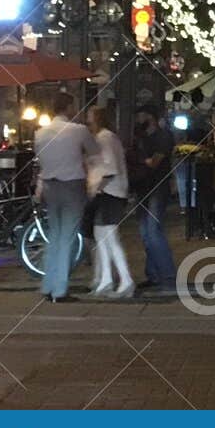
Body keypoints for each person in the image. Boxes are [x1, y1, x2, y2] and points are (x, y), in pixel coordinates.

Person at [33, 93, 97, 302]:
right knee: (67, 237)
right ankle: (60, 290)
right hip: (72, 185)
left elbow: (40, 161)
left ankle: (48, 285)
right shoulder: (78, 130)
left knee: (54, 236)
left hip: (50, 186)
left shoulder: (40, 133)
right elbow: (95, 153)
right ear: (69, 107)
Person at [84, 107, 134, 298]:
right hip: (108, 192)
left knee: (109, 237)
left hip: (109, 193)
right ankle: (106, 279)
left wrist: (96, 188)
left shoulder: (105, 138)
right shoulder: (105, 138)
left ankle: (125, 280)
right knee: (102, 236)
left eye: (90, 117)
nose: (87, 121)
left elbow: (110, 169)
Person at [130, 103, 177, 291]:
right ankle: (153, 274)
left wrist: (138, 160)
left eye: (140, 115)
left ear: (149, 117)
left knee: (153, 230)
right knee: (145, 233)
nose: (137, 120)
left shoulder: (163, 136)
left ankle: (167, 275)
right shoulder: (140, 137)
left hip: (158, 187)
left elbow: (154, 162)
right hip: (142, 188)